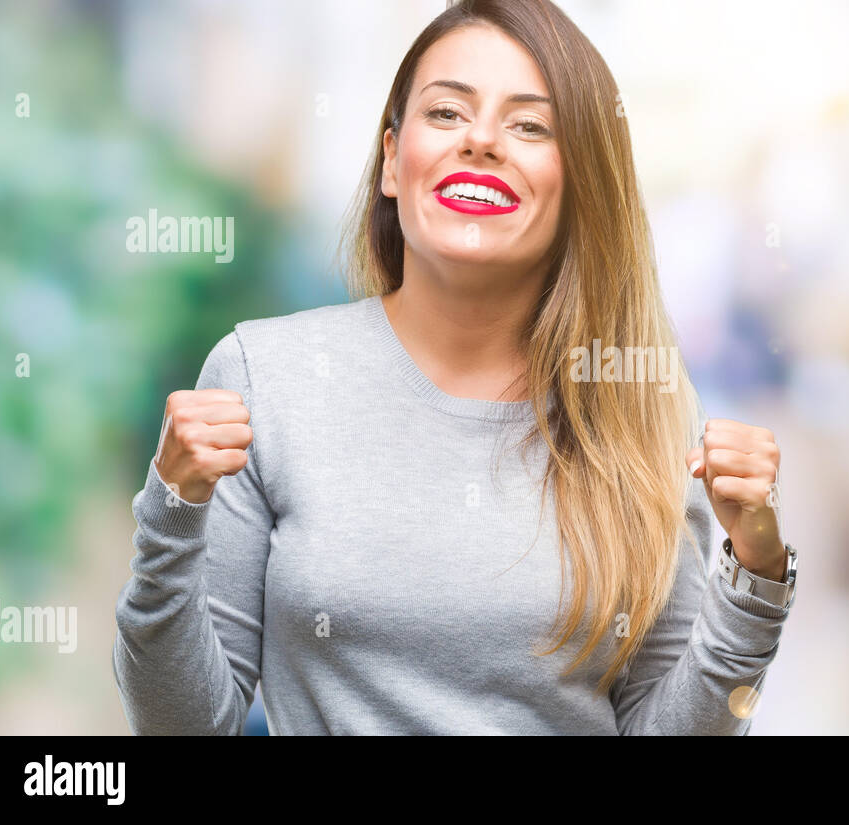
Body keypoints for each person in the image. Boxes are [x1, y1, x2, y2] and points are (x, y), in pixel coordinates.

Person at [112, 0, 797, 735]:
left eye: (529, 125)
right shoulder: (262, 377)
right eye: (446, 113)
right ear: (390, 162)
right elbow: (181, 725)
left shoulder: (644, 414)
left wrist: (755, 571)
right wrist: (174, 509)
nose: (481, 139)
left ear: (580, 191)